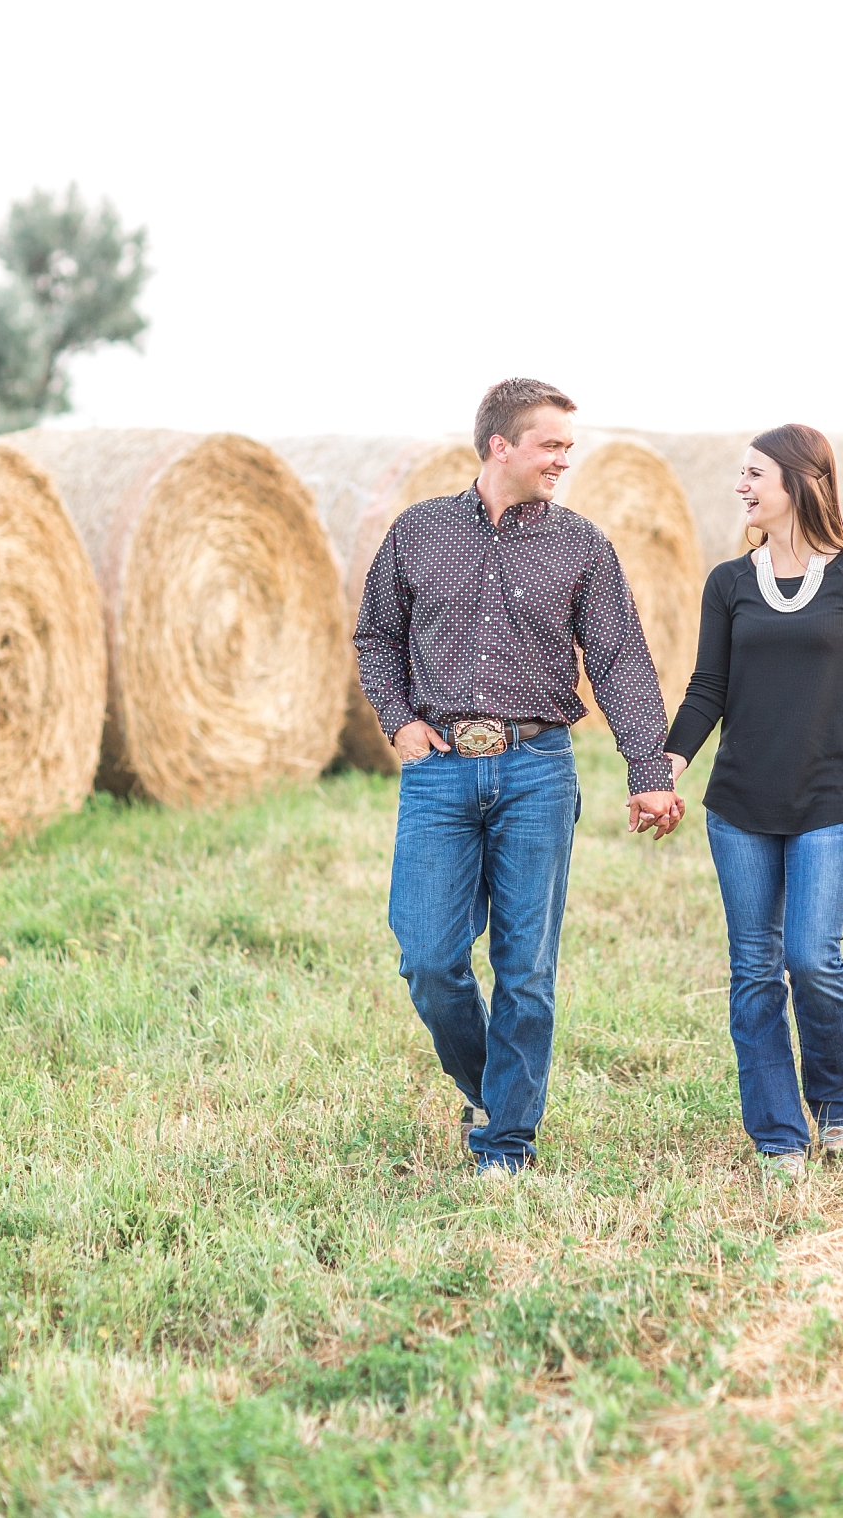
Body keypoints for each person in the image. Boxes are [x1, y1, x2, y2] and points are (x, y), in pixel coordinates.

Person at [354, 378, 683, 1180]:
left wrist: (648, 769)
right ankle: (492, 1090)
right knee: (428, 961)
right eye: (552, 445)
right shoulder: (418, 533)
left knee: (526, 969)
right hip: (437, 775)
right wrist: (399, 720)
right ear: (500, 446)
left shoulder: (582, 546)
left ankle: (506, 1144)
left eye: (569, 447)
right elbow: (375, 637)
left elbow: (620, 663)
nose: (564, 460)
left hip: (538, 770)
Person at [664, 424, 843, 1181]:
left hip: (831, 800)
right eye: (739, 474)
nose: (741, 486)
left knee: (811, 958)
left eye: (754, 474)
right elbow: (707, 688)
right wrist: (665, 766)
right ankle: (776, 1132)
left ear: (801, 481)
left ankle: (836, 1094)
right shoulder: (727, 582)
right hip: (738, 804)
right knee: (751, 970)